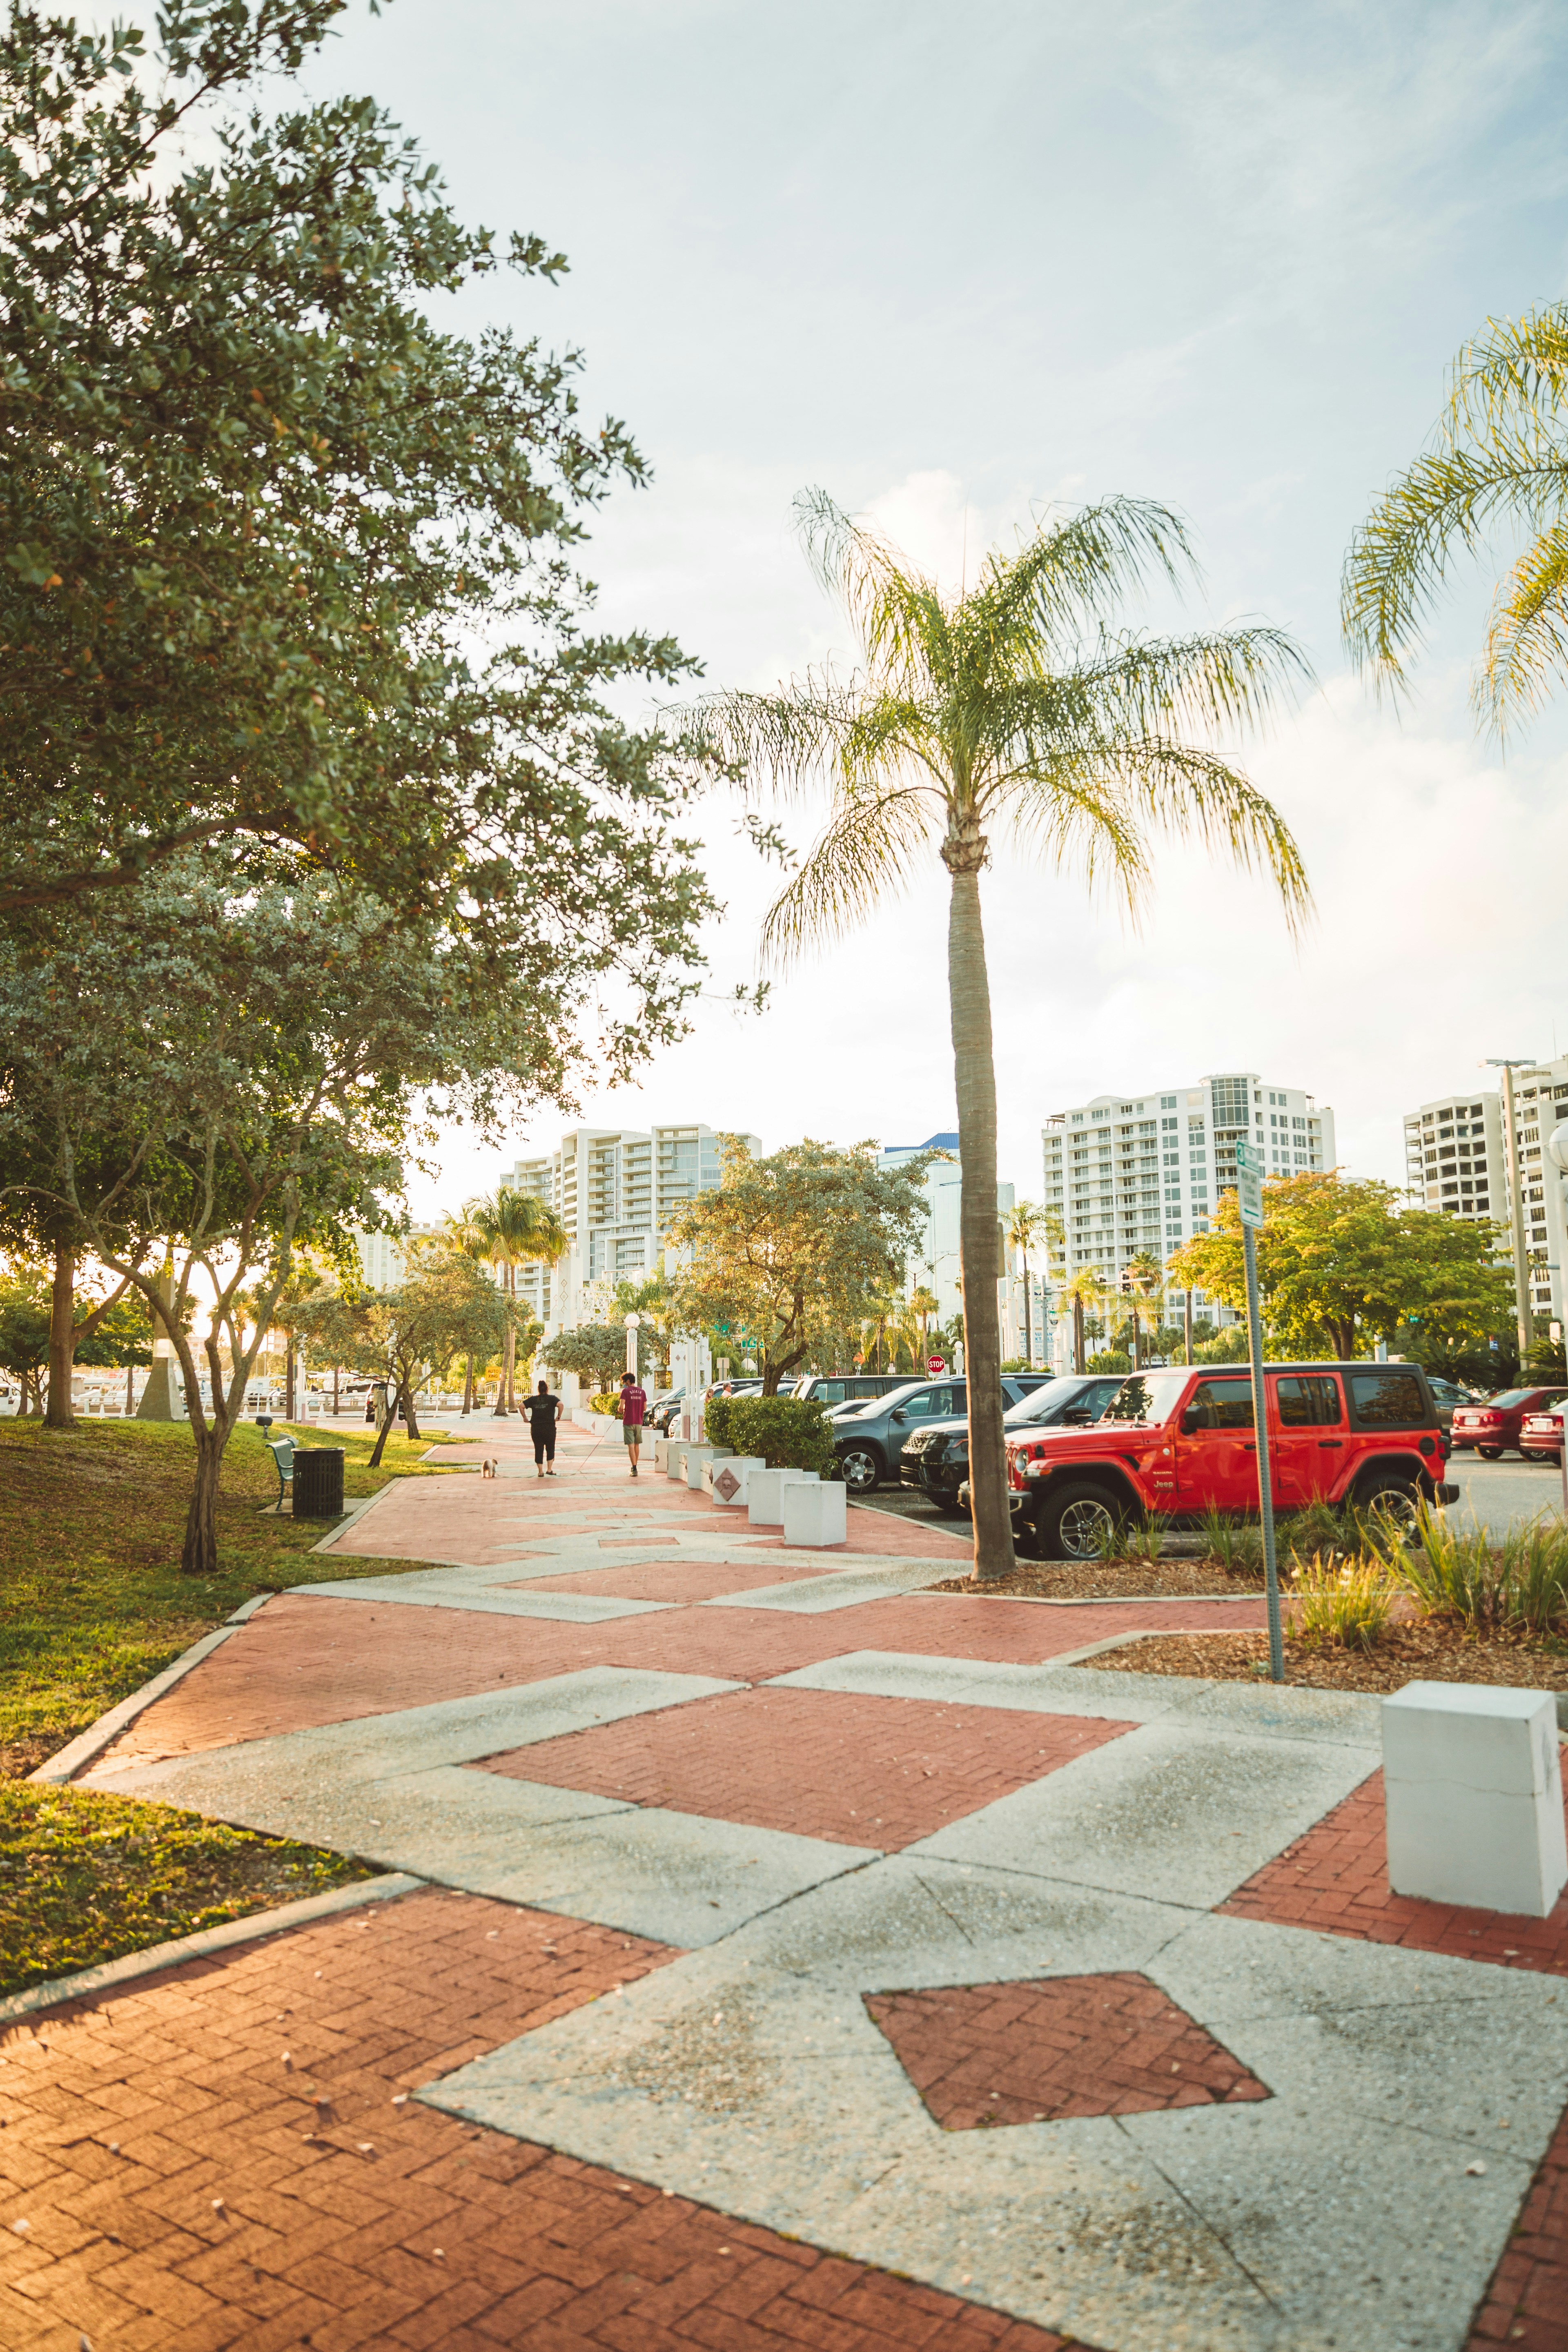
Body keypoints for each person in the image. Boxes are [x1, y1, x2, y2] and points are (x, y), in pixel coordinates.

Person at [522, 1379, 561, 1477]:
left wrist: (525, 1418)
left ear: (538, 1389)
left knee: (538, 1449)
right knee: (550, 1448)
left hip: (536, 1428)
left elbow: (521, 1406)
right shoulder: (552, 1399)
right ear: (547, 1389)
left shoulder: (533, 1399)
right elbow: (561, 1405)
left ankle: (540, 1472)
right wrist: (559, 1416)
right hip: (550, 1428)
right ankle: (549, 1469)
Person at [619, 1369, 648, 1477]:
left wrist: (621, 1409)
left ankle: (634, 1468)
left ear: (628, 1381)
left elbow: (621, 1408)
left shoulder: (625, 1392)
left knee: (630, 1445)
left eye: (624, 1382)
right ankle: (635, 1466)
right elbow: (645, 1407)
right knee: (637, 1445)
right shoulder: (642, 1392)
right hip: (639, 1422)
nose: (624, 1385)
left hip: (628, 1421)